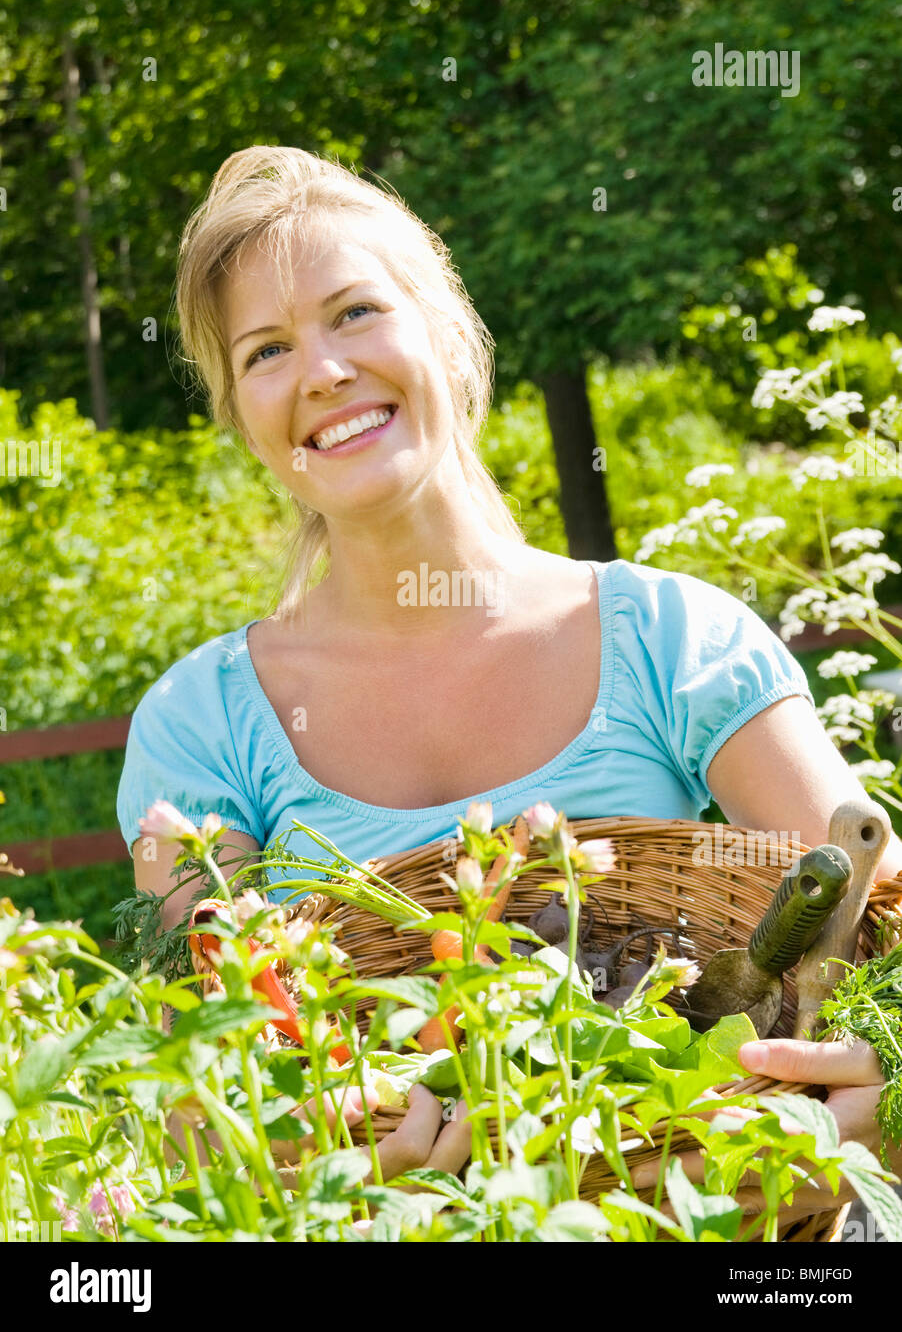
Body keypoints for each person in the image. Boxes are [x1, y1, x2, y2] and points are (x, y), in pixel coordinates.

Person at [117, 144, 902, 1209]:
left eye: (355, 311)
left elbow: (875, 932)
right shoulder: (200, 726)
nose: (322, 371)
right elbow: (197, 1110)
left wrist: (871, 1108)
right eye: (264, 351)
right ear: (241, 417)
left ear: (443, 326)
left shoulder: (670, 639)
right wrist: (312, 1156)